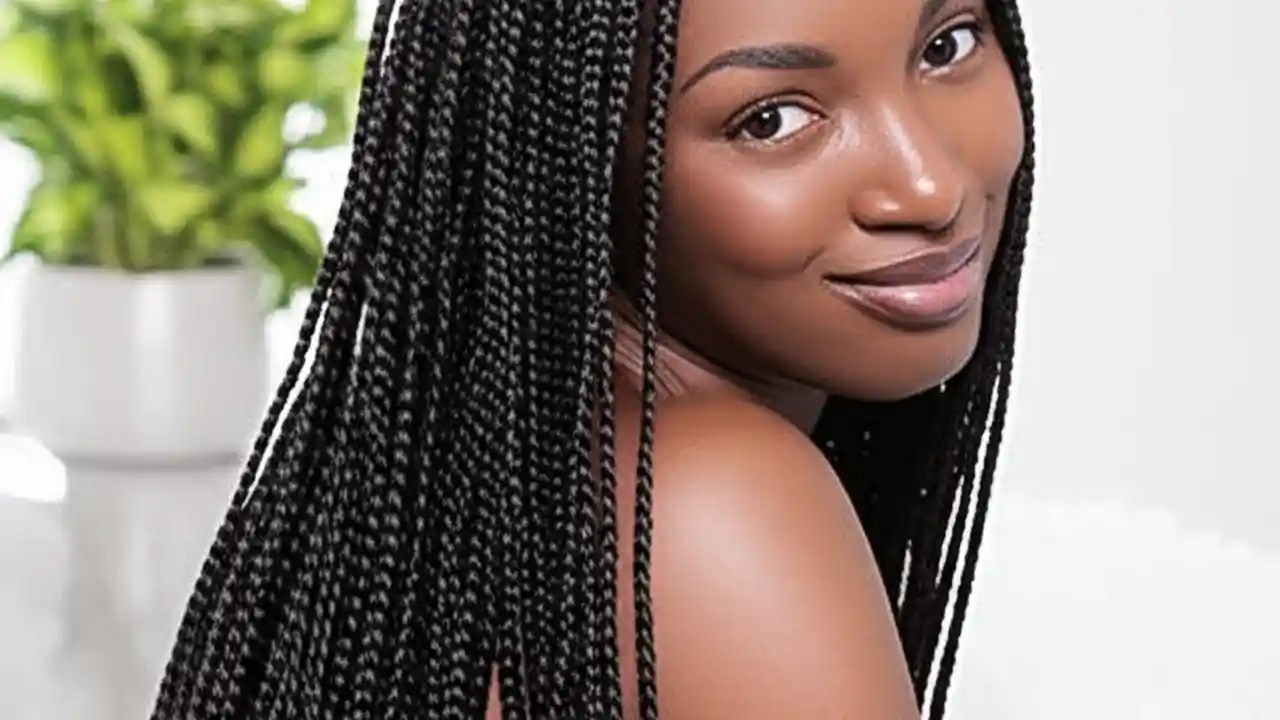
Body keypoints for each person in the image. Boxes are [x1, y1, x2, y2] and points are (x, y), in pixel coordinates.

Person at [149, 0, 1035, 717]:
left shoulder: (496, 490)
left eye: (948, 44)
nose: (930, 184)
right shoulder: (708, 502)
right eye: (770, 120)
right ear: (570, 148)